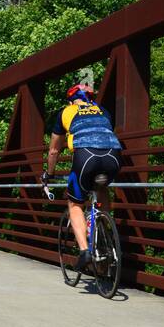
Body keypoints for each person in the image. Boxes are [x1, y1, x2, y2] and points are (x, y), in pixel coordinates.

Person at [42, 82, 122, 270]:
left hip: (86, 157)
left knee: (75, 204)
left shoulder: (66, 112)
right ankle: (104, 226)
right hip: (114, 156)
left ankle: (85, 250)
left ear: (71, 100)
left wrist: (49, 174)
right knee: (101, 187)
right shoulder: (102, 110)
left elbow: (54, 150)